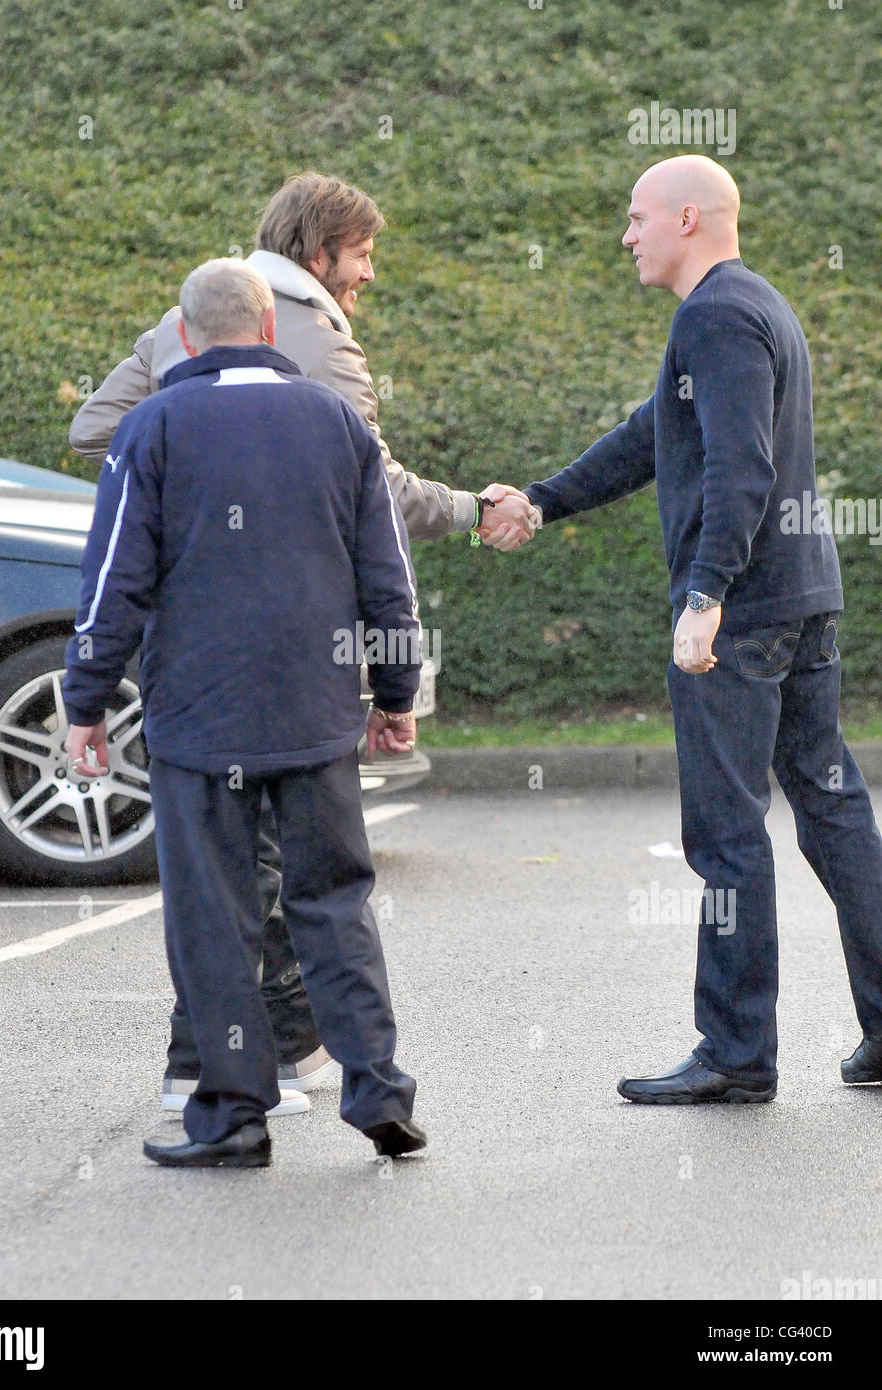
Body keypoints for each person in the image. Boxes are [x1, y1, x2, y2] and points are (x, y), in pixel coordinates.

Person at [69, 172, 540, 1117]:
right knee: (305, 880)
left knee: (219, 883)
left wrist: (178, 466)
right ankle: (301, 1062)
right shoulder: (318, 347)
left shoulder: (179, 330)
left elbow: (97, 441)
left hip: (190, 662)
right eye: (362, 253)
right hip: (301, 665)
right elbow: (381, 508)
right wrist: (470, 511)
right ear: (318, 253)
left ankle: (216, 1072)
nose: (370, 273)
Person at [517, 154, 882, 1102]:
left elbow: (740, 465)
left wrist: (704, 593)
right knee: (834, 812)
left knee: (725, 834)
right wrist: (542, 502)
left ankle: (734, 1055)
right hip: (801, 601)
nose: (626, 234)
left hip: (743, 614)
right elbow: (653, 436)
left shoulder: (713, 314)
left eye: (637, 218)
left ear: (686, 219)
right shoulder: (752, 303)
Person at [62, 258, 427, 1167]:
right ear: (269, 331)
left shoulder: (151, 428)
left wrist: (86, 701)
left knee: (215, 913)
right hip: (314, 712)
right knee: (333, 900)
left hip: (199, 719)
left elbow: (114, 584)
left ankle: (231, 1116)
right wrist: (393, 695)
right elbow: (387, 581)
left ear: (183, 337)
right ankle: (376, 1085)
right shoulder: (335, 423)